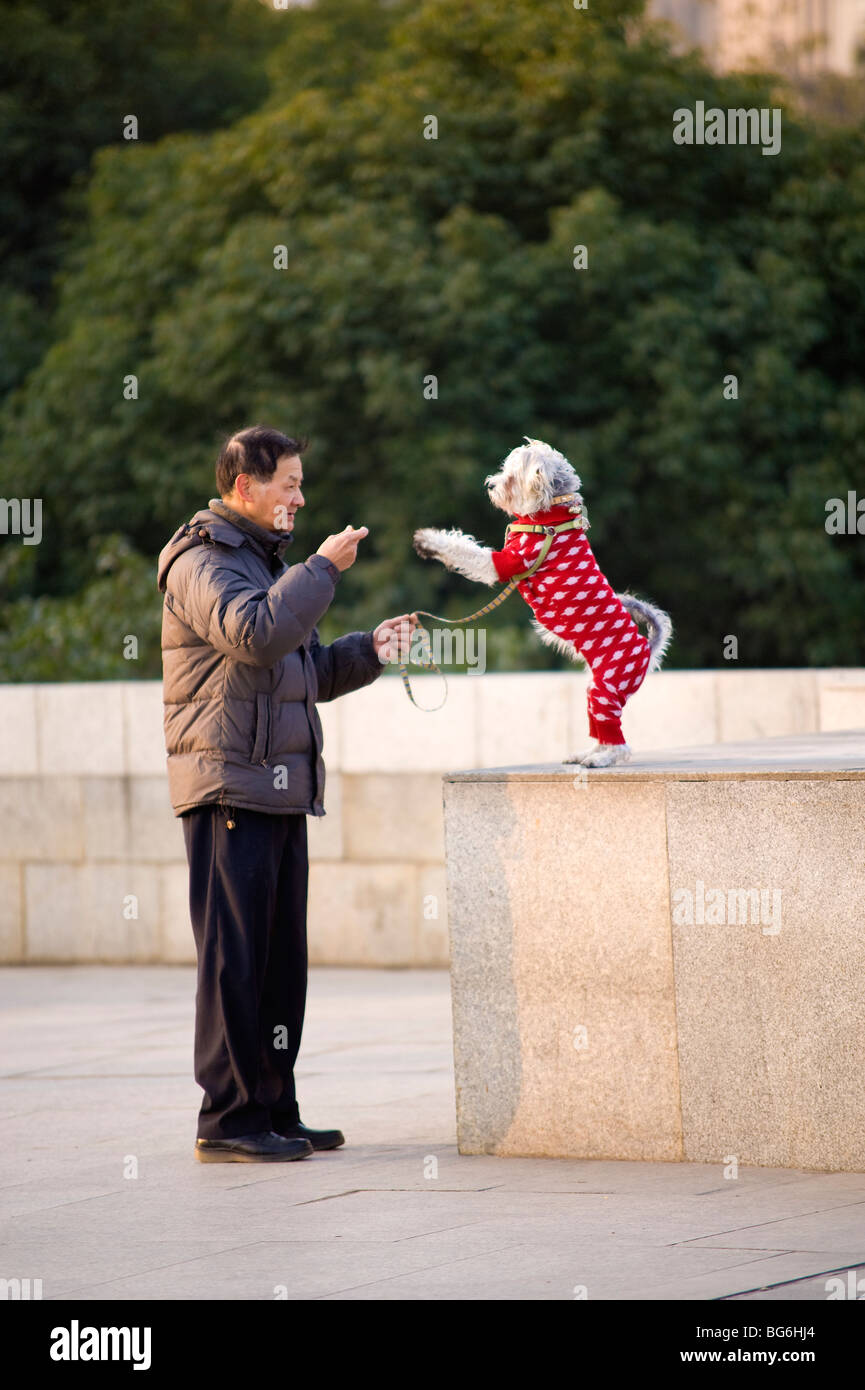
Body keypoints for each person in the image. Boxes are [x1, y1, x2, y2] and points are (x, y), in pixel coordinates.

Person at [156, 425, 415, 1163]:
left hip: (279, 788)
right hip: (227, 788)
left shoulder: (266, 564)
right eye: (289, 484)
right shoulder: (202, 559)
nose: (300, 497)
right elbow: (255, 635)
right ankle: (228, 1118)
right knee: (233, 958)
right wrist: (323, 569)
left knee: (278, 961)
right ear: (245, 486)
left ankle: (273, 1108)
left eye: (302, 484)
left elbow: (304, 674)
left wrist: (369, 650)